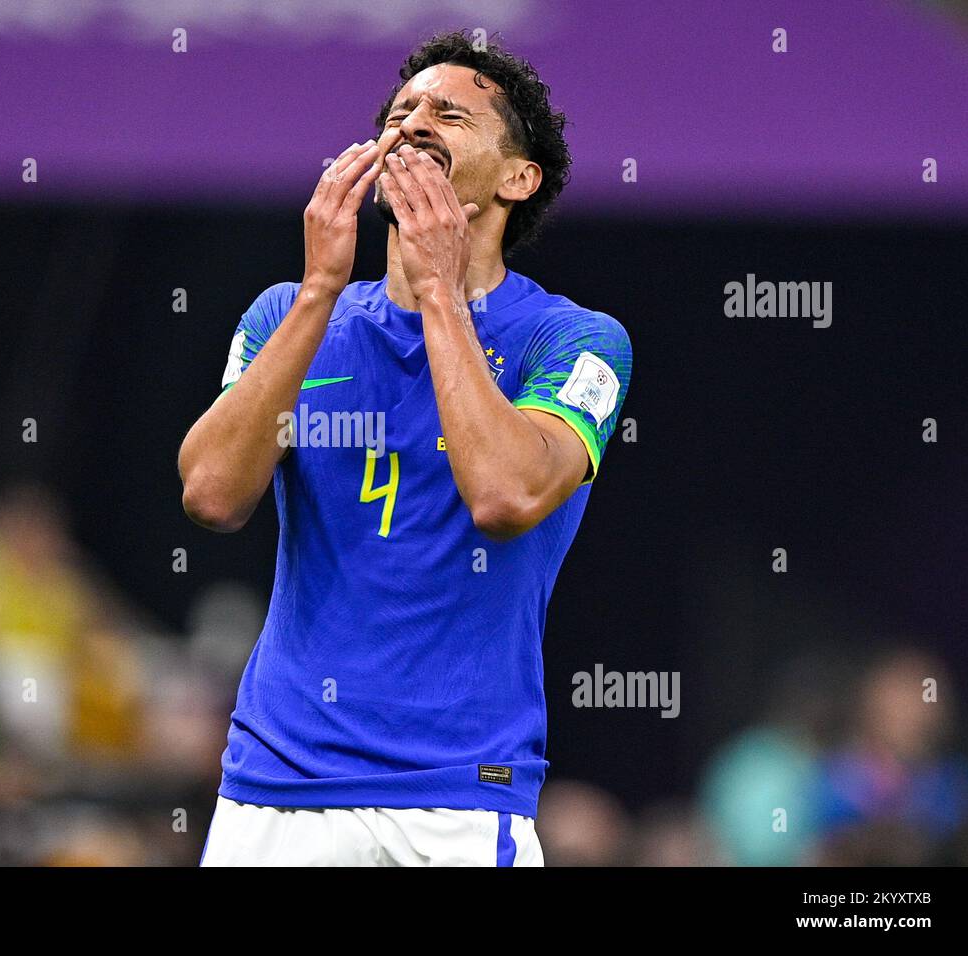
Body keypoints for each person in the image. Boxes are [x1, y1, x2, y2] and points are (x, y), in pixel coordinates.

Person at [179, 30, 632, 866]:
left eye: (449, 114)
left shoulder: (574, 341)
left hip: (457, 794)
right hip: (274, 786)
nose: (415, 123)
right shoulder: (285, 316)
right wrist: (320, 288)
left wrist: (439, 294)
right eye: (402, 112)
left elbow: (506, 496)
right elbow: (211, 493)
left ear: (517, 178)